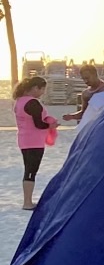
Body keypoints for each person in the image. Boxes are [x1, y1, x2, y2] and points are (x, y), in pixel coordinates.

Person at [13, 76, 56, 210]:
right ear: (35, 88)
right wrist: (51, 125)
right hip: (34, 142)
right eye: (42, 89)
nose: (42, 92)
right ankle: (27, 202)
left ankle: (27, 200)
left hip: (24, 139)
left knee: (28, 170)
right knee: (31, 171)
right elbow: (39, 124)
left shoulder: (19, 101)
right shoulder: (33, 103)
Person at [67, 66, 104, 138]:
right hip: (92, 131)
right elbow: (84, 113)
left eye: (87, 78)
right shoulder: (86, 94)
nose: (85, 81)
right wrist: (72, 116)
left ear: (95, 74)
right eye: (83, 79)